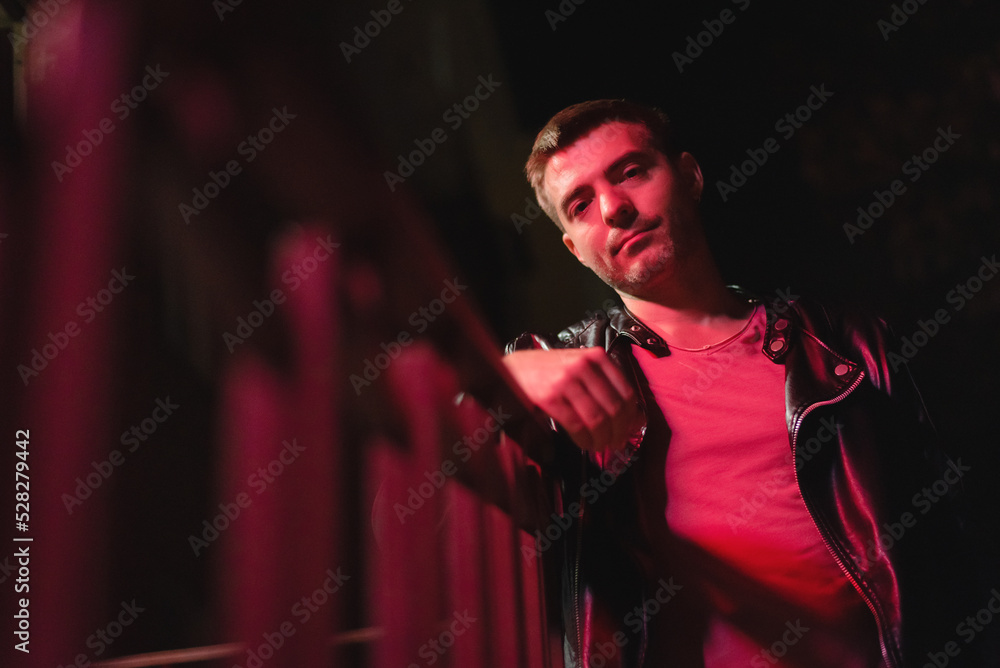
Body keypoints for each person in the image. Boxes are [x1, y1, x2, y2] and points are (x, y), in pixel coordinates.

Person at [502, 99, 987, 668]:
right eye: (579, 205)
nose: (613, 209)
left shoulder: (846, 347)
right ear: (573, 249)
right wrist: (502, 377)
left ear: (689, 177)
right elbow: (434, 470)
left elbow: (953, 549)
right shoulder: (562, 378)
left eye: (631, 172)